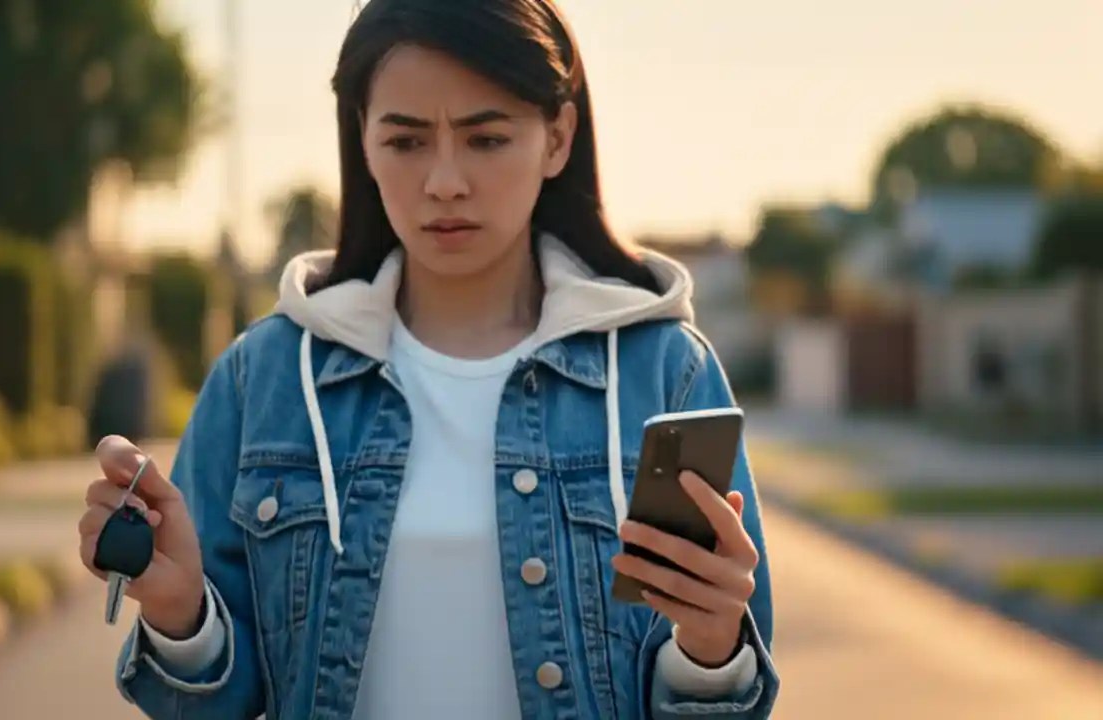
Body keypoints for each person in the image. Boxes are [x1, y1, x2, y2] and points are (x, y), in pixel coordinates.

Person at [79, 0, 779, 717]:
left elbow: (722, 697)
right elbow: (206, 703)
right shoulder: (265, 380)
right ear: (364, 141)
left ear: (558, 137)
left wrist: (710, 647)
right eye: (407, 142)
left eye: (486, 139)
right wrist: (179, 615)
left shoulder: (663, 373)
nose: (445, 181)